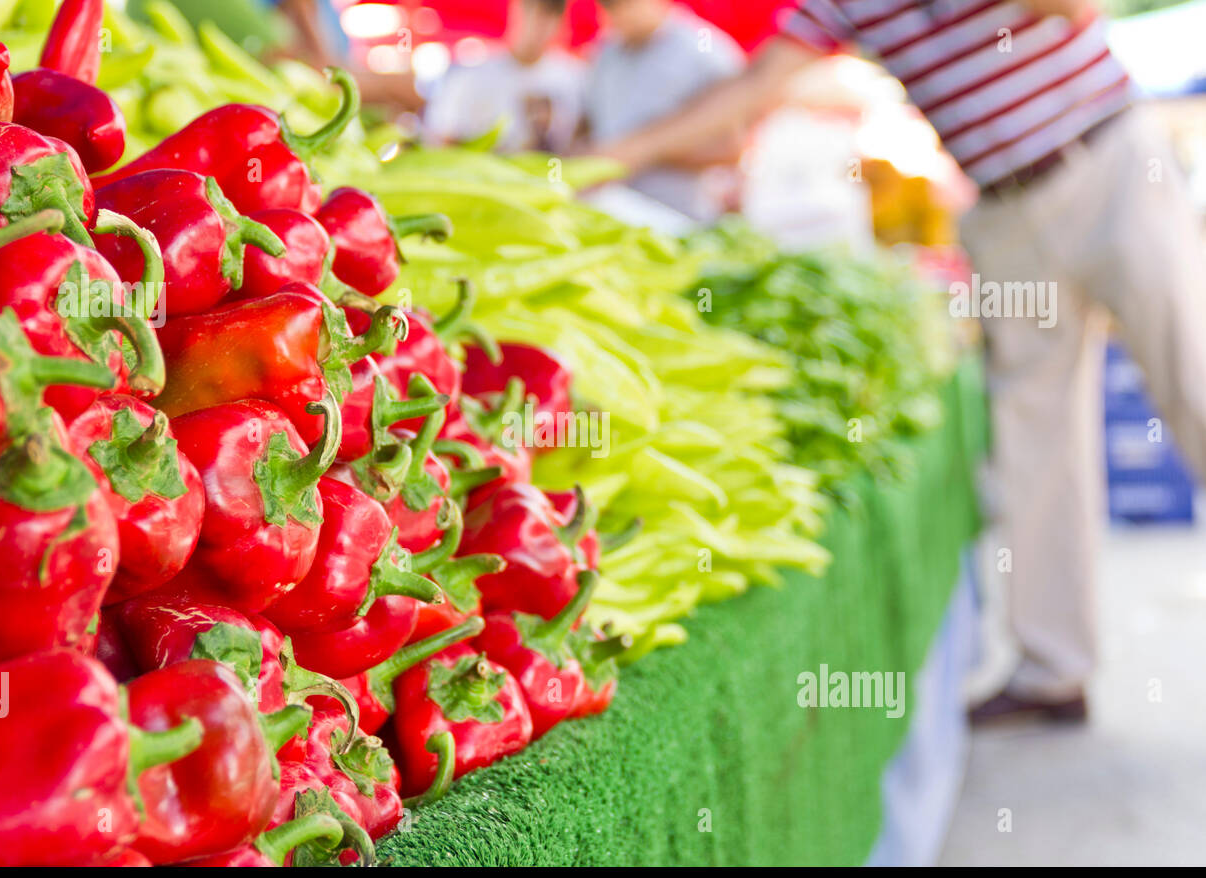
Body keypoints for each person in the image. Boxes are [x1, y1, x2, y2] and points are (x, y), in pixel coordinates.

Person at [599, 0, 1206, 724]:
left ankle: (1053, 665)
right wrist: (623, 154)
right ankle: (1054, 670)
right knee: (1035, 441)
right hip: (1007, 212)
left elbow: (1078, 9)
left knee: (1193, 378)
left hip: (1109, 163)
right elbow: (760, 81)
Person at [584, 0, 745, 220]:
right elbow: (591, 128)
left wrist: (641, 153)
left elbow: (731, 147)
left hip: (683, 221)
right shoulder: (606, 53)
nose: (617, 14)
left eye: (624, 5)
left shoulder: (704, 49)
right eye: (608, 6)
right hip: (612, 215)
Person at [421, 0, 585, 153]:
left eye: (548, 14)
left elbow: (579, 140)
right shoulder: (472, 76)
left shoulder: (573, 78)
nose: (537, 23)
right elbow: (443, 141)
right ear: (515, 9)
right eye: (530, 10)